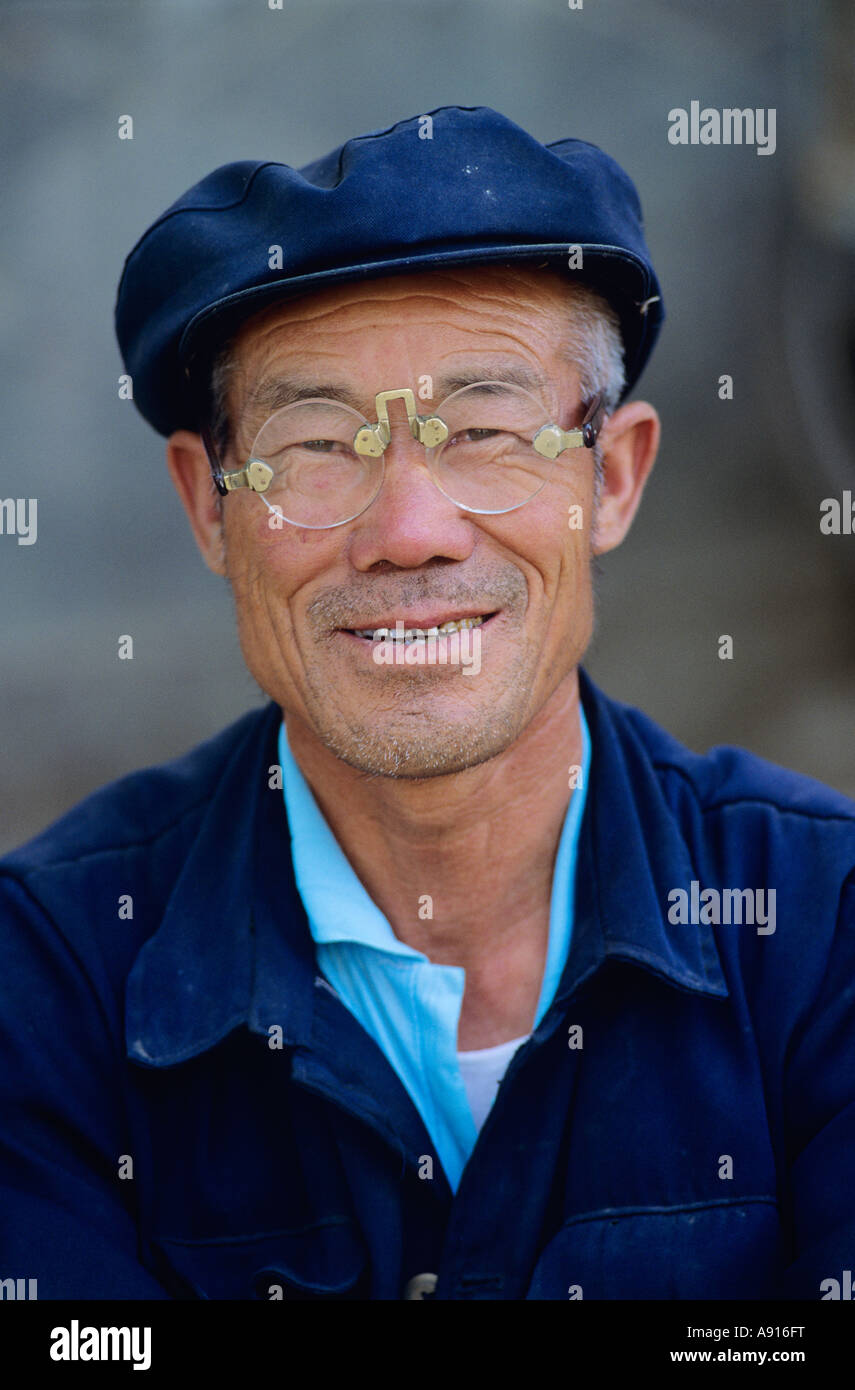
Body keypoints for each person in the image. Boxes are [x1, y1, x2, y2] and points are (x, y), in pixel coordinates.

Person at [1, 106, 853, 1302]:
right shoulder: (46, 981)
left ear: (611, 478)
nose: (409, 532)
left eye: (489, 430)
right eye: (316, 445)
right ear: (209, 508)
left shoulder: (822, 928)